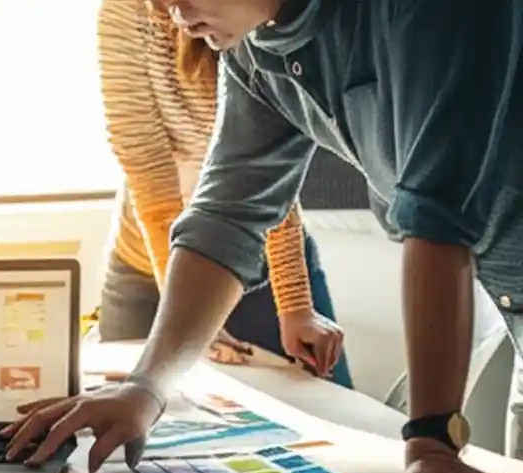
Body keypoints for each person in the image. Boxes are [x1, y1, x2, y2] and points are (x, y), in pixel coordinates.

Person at [6, 0, 523, 473]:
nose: (172, 11)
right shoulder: (255, 49)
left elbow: (437, 211)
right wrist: (146, 387)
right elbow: (226, 217)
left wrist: (432, 440)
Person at [96, 0, 349, 386]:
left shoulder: (247, 13)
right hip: (147, 266)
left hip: (259, 259)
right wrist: (183, 311)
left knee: (322, 405)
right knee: (137, 414)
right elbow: (148, 171)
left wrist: (295, 304)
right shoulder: (125, 14)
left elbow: (264, 168)